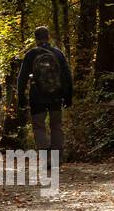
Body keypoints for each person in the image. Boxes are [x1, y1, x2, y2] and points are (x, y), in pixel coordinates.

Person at [16, 26, 73, 155]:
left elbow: (22, 78)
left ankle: (45, 155)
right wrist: (68, 95)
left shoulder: (31, 54)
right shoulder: (58, 53)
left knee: (39, 126)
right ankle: (57, 155)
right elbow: (67, 76)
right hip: (56, 95)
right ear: (49, 37)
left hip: (37, 96)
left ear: (35, 39)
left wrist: (21, 97)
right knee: (56, 126)